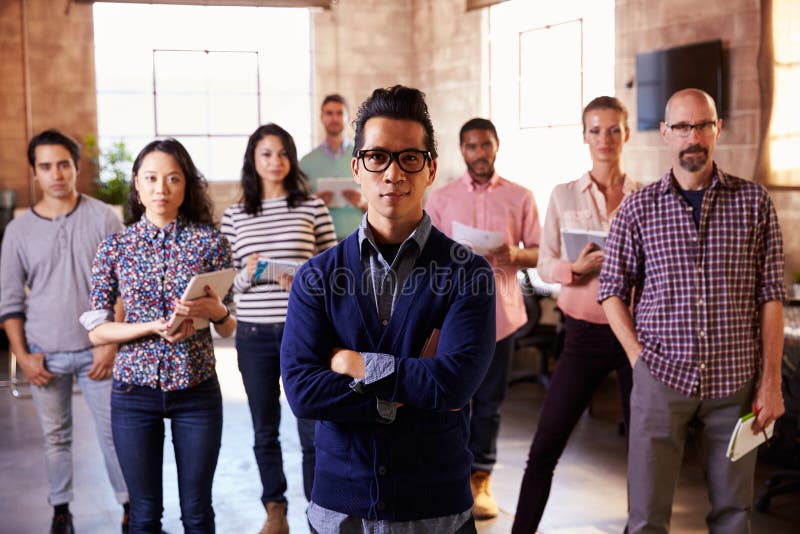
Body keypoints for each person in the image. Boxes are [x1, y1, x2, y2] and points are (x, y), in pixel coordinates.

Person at [280, 85, 496, 534]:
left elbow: (453, 385)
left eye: (409, 158)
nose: (393, 173)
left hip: (435, 508)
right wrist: (406, 390)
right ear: (357, 168)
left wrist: (354, 363)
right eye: (377, 157)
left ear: (430, 169)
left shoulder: (467, 272)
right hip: (341, 508)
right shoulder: (316, 277)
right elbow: (302, 392)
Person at [598, 88, 786, 533]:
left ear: (718, 128)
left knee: (734, 516)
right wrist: (638, 360)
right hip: (660, 378)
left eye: (702, 124)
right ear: (666, 133)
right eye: (681, 126)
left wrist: (772, 380)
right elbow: (610, 290)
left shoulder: (754, 203)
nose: (693, 136)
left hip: (735, 385)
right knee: (645, 518)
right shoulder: (638, 209)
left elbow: (772, 295)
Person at [80, 138, 236, 533]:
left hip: (197, 390)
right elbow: (98, 332)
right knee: (145, 513)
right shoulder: (115, 247)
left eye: (172, 179)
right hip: (134, 394)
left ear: (187, 185)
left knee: (197, 511)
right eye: (150, 178)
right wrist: (149, 327)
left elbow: (230, 325)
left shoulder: (211, 242)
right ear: (136, 183)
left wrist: (216, 311)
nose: (161, 189)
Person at [511, 96, 638, 533]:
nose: (605, 139)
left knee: (644, 451)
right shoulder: (562, 196)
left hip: (635, 339)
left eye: (613, 129)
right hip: (582, 336)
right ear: (584, 136)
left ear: (626, 133)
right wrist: (574, 269)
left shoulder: (646, 199)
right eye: (596, 130)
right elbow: (544, 264)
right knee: (545, 444)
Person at [0, 129, 128, 534]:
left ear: (76, 168)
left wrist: (110, 343)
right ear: (34, 173)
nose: (56, 174)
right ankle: (61, 512)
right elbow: (9, 302)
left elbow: (125, 286)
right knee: (56, 439)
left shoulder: (104, 217)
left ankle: (131, 509)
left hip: (98, 354)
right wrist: (22, 355)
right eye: (45, 166)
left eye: (63, 164)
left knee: (114, 436)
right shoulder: (18, 232)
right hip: (45, 353)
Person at [221, 123, 336, 534]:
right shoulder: (234, 216)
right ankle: (275, 509)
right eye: (266, 153)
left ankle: (320, 510)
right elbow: (225, 286)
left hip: (303, 331)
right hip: (253, 334)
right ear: (253, 160)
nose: (275, 161)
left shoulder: (312, 208)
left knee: (312, 426)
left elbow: (335, 275)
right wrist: (248, 274)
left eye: (283, 153)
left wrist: (305, 278)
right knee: (264, 426)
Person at [425, 117, 541, 519]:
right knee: (454, 398)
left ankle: (480, 480)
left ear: (496, 146)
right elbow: (426, 257)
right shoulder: (439, 199)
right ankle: (451, 475)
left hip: (501, 313)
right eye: (471, 146)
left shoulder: (521, 196)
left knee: (490, 402)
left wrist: (516, 254)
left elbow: (541, 251)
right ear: (462, 151)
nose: (479, 153)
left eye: (486, 145)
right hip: (453, 313)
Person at [300, 94, 366, 240]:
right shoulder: (305, 162)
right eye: (329, 113)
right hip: (320, 240)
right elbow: (298, 210)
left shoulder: (363, 158)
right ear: (321, 118)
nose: (334, 118)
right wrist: (315, 202)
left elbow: (379, 203)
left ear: (348, 118)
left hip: (358, 238)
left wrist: (362, 202)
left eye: (339, 113)